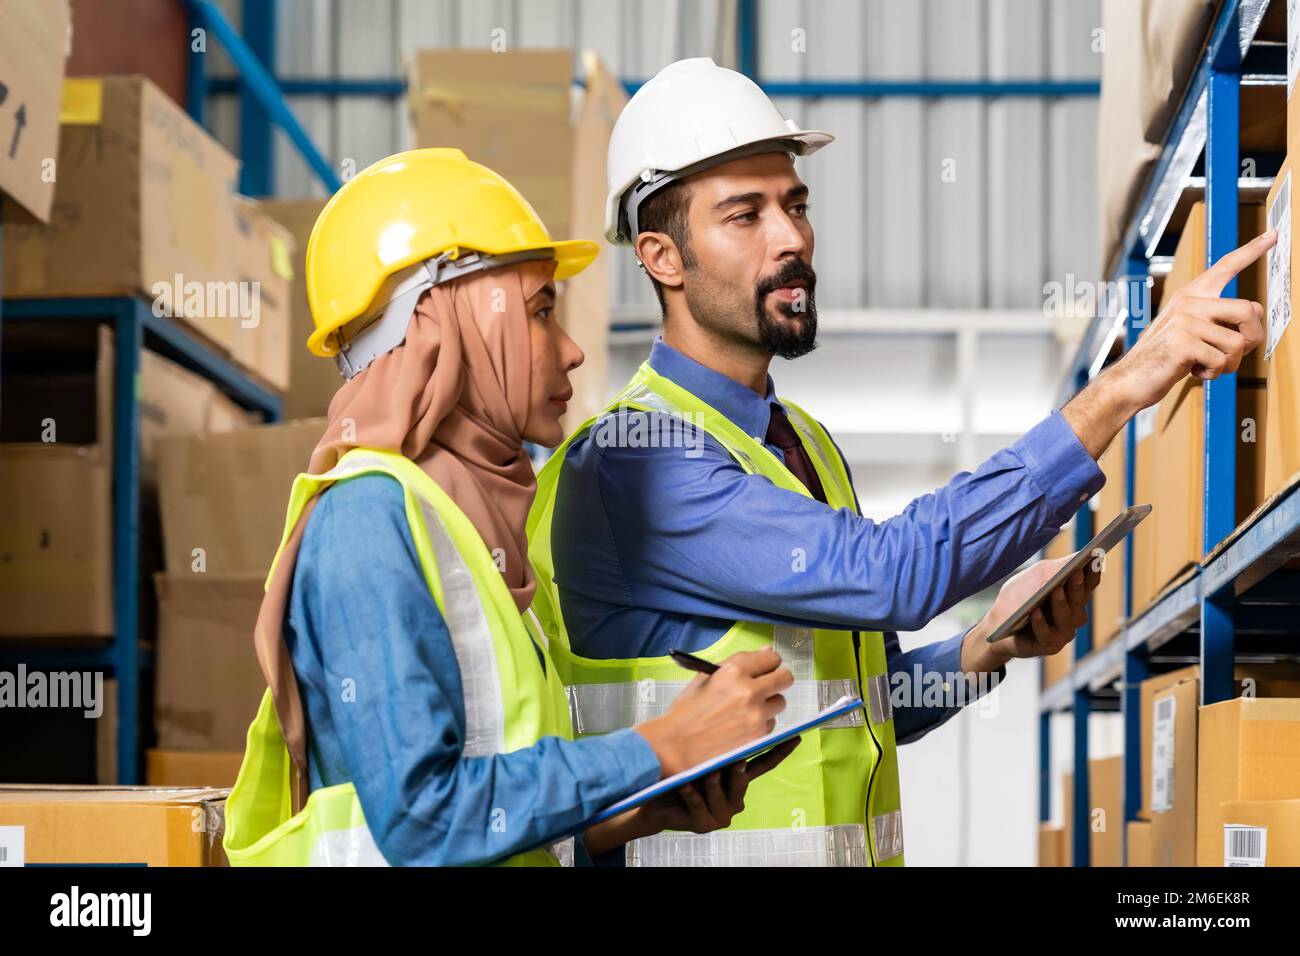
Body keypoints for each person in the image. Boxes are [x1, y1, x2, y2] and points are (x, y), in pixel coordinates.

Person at [527, 58, 1273, 867]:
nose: (792, 239)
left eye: (796, 205)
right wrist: (1124, 383)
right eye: (745, 216)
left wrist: (985, 645)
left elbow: (865, 702)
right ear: (662, 258)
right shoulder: (633, 462)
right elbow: (892, 575)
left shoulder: (801, 441)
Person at [222, 148, 799, 867]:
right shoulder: (367, 518)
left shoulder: (470, 529)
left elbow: (488, 817)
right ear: (449, 325)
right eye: (539, 312)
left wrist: (643, 808)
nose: (571, 351)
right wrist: (658, 745)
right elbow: (420, 820)